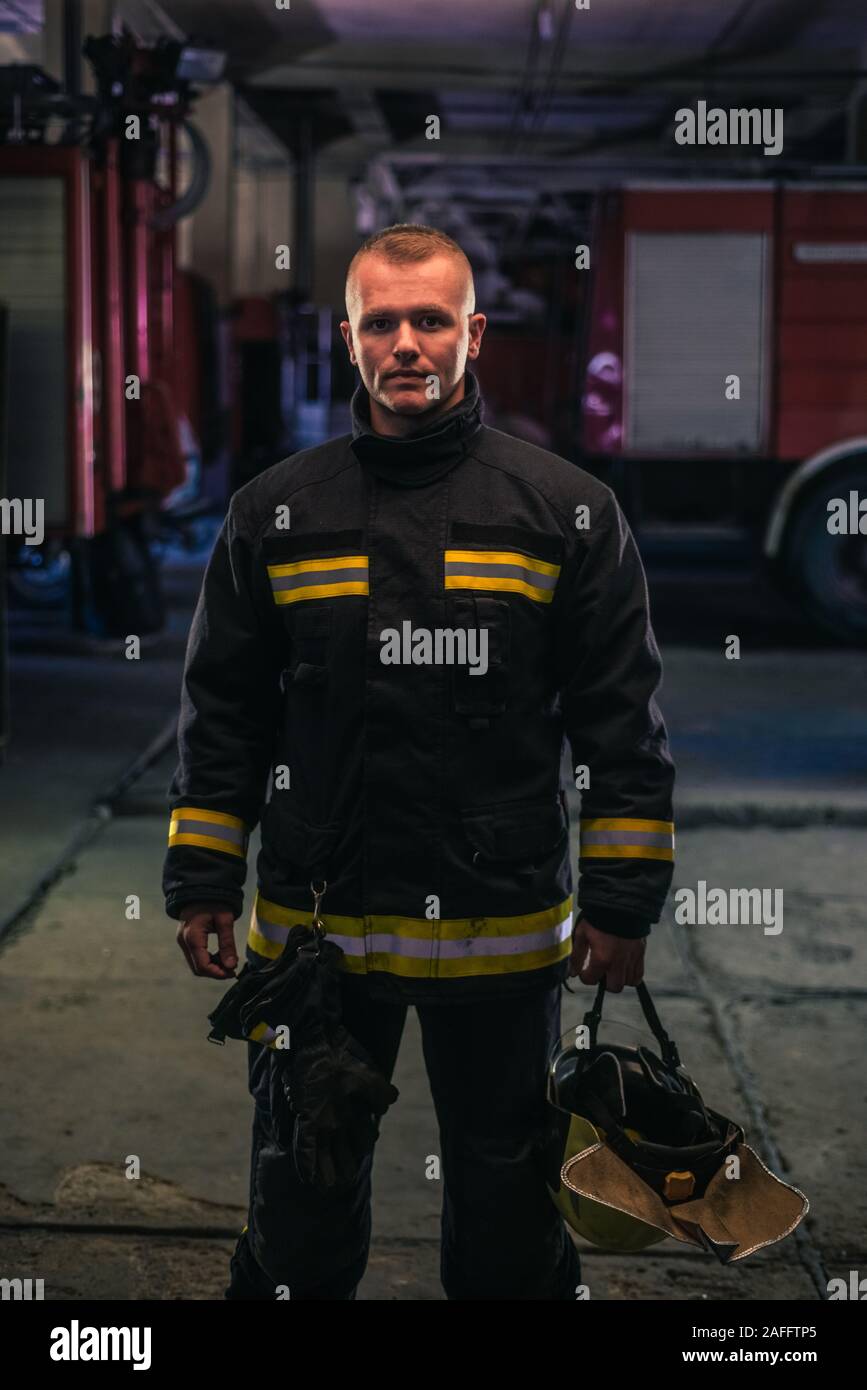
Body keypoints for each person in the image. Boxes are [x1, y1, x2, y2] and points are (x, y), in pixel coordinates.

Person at [164, 223, 675, 1300]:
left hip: (500, 934)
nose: (407, 342)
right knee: (300, 1192)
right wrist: (205, 872)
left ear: (473, 333)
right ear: (346, 336)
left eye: (431, 319)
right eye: (383, 321)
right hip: (315, 936)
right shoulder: (277, 514)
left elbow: (619, 720)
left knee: (506, 1199)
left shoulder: (566, 514)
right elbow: (225, 710)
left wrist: (623, 900)